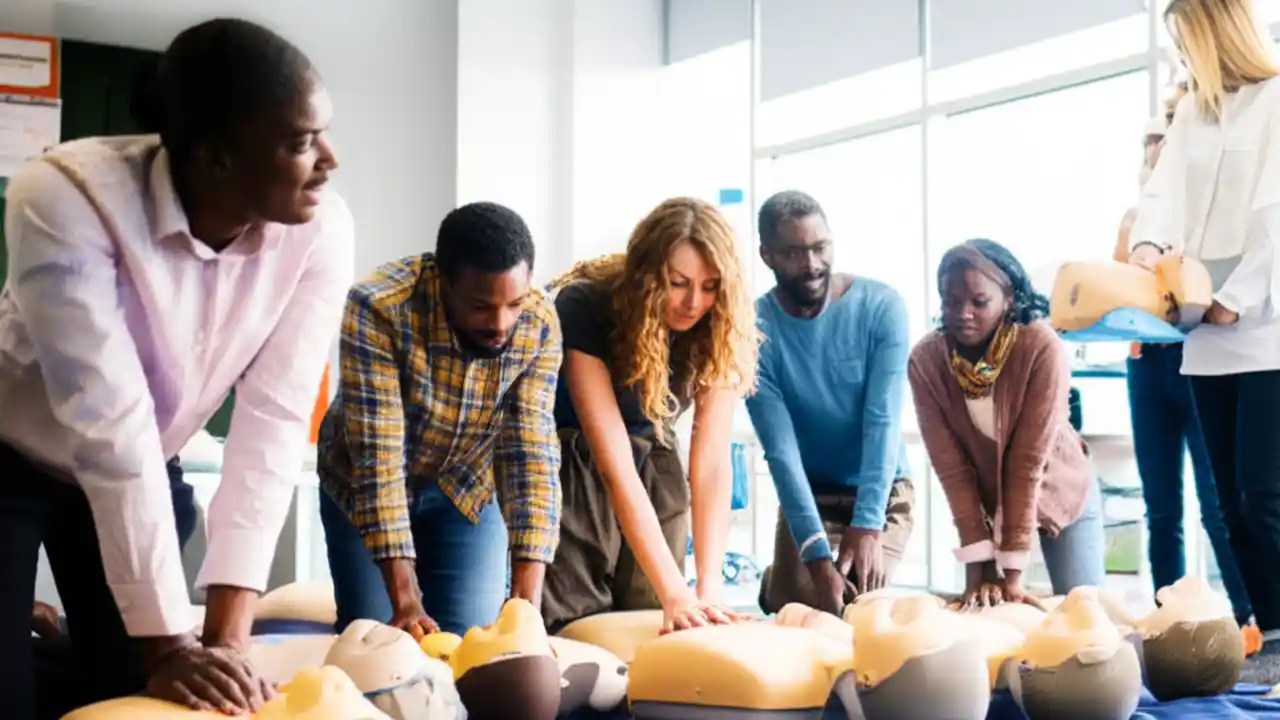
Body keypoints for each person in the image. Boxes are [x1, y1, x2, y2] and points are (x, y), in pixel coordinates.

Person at [0, 17, 351, 720]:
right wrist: (168, 646)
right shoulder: (65, 195)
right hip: (11, 458)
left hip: (146, 459)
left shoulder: (321, 229)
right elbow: (110, 422)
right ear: (217, 157)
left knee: (129, 689)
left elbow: (275, 420)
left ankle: (53, 647)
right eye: (301, 141)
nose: (330, 159)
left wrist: (223, 641)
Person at [317, 201, 561, 638]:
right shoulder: (378, 307)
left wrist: (527, 615)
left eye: (514, 304)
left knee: (473, 641)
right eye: (482, 306)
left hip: (463, 488)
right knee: (378, 643)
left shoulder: (539, 322)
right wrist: (407, 601)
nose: (501, 323)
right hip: (360, 485)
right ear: (444, 283)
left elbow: (533, 459)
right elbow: (379, 462)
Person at [1128, 0, 1280, 680]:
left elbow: (1276, 216)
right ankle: (1269, 631)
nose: (1185, 56)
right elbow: (1159, 197)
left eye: (1189, 40)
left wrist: (1234, 298)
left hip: (1266, 330)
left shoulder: (1276, 99)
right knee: (1225, 500)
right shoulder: (1193, 110)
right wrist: (1146, 250)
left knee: (1262, 490)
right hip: (1201, 336)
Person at [541, 197, 760, 634]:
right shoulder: (584, 305)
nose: (693, 301)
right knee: (576, 617)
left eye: (710, 285)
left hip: (653, 459)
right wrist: (674, 591)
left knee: (655, 614)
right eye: (677, 282)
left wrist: (705, 588)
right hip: (576, 462)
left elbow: (712, 462)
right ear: (647, 274)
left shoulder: (718, 323)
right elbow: (614, 462)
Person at [1117, 85, 1253, 628]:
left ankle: (1252, 620)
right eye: (1151, 144)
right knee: (1162, 509)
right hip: (1146, 367)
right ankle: (1167, 623)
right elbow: (1122, 298)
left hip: (1198, 362)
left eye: (1164, 141)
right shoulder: (1135, 224)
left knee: (1218, 506)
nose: (1157, 152)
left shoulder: (1209, 221)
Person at [745, 191, 915, 617]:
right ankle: (779, 580)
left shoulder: (883, 307)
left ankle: (796, 571)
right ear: (766, 254)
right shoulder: (750, 331)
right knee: (804, 604)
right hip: (812, 491)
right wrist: (818, 561)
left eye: (820, 247)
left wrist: (868, 524)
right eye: (794, 252)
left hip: (880, 490)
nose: (812, 264)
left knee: (856, 601)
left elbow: (882, 422)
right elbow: (781, 453)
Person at [909, 239, 1104, 607]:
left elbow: (1027, 462)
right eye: (950, 301)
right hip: (990, 508)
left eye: (978, 302)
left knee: (1087, 618)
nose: (962, 313)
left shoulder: (1039, 347)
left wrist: (1011, 575)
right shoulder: (927, 362)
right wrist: (979, 572)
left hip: (1060, 491)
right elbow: (953, 471)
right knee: (989, 613)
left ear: (1009, 298)